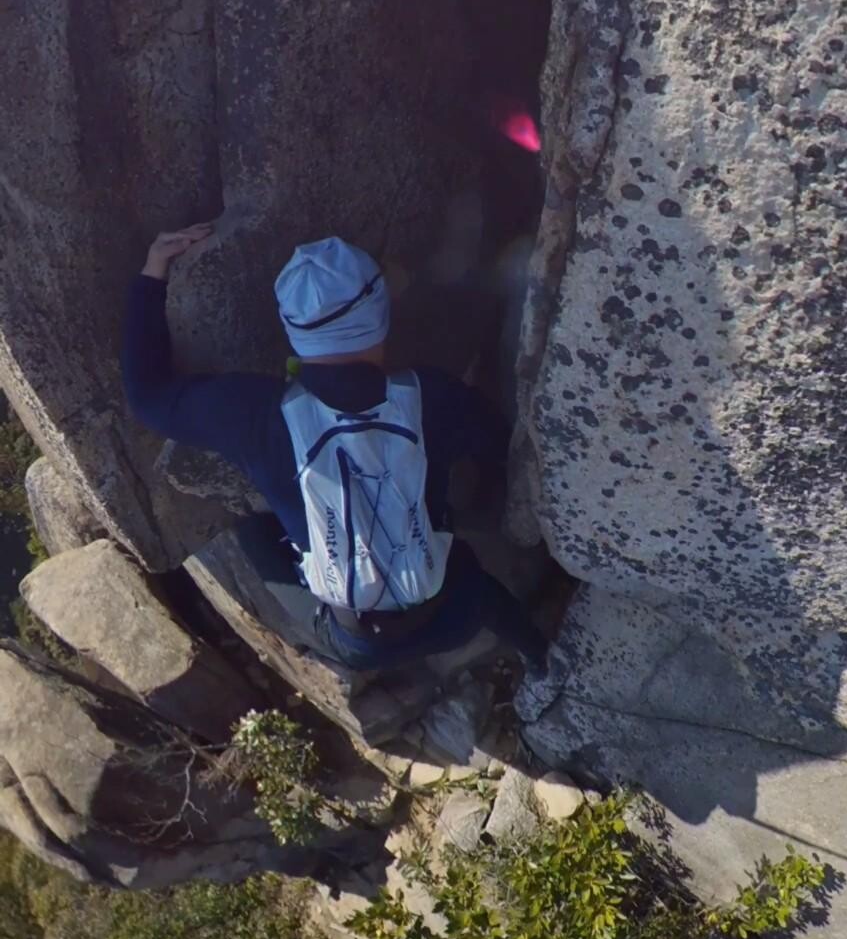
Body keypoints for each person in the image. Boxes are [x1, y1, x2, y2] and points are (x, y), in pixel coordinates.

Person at [122, 224, 548, 675]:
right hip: (454, 614)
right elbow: (501, 445)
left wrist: (153, 273)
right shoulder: (434, 396)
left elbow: (147, 395)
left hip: (360, 646)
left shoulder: (252, 413)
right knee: (466, 572)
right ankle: (538, 656)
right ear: (380, 312)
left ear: (291, 327)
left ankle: (329, 661)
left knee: (248, 532)